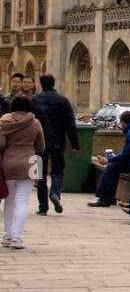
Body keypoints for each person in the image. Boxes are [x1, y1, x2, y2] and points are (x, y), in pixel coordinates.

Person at [0, 94, 47, 249]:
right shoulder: (35, 122)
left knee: (9, 200)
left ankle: (7, 235)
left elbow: (1, 144)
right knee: (22, 200)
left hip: (8, 162)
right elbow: (41, 147)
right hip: (30, 163)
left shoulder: (4, 120)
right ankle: (17, 237)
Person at [32, 73, 80, 215]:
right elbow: (71, 124)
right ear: (53, 84)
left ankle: (42, 207)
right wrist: (75, 144)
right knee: (58, 171)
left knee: (40, 174)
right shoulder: (63, 100)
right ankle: (55, 193)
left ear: (41, 84)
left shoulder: (34, 99)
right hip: (58, 142)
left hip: (39, 143)